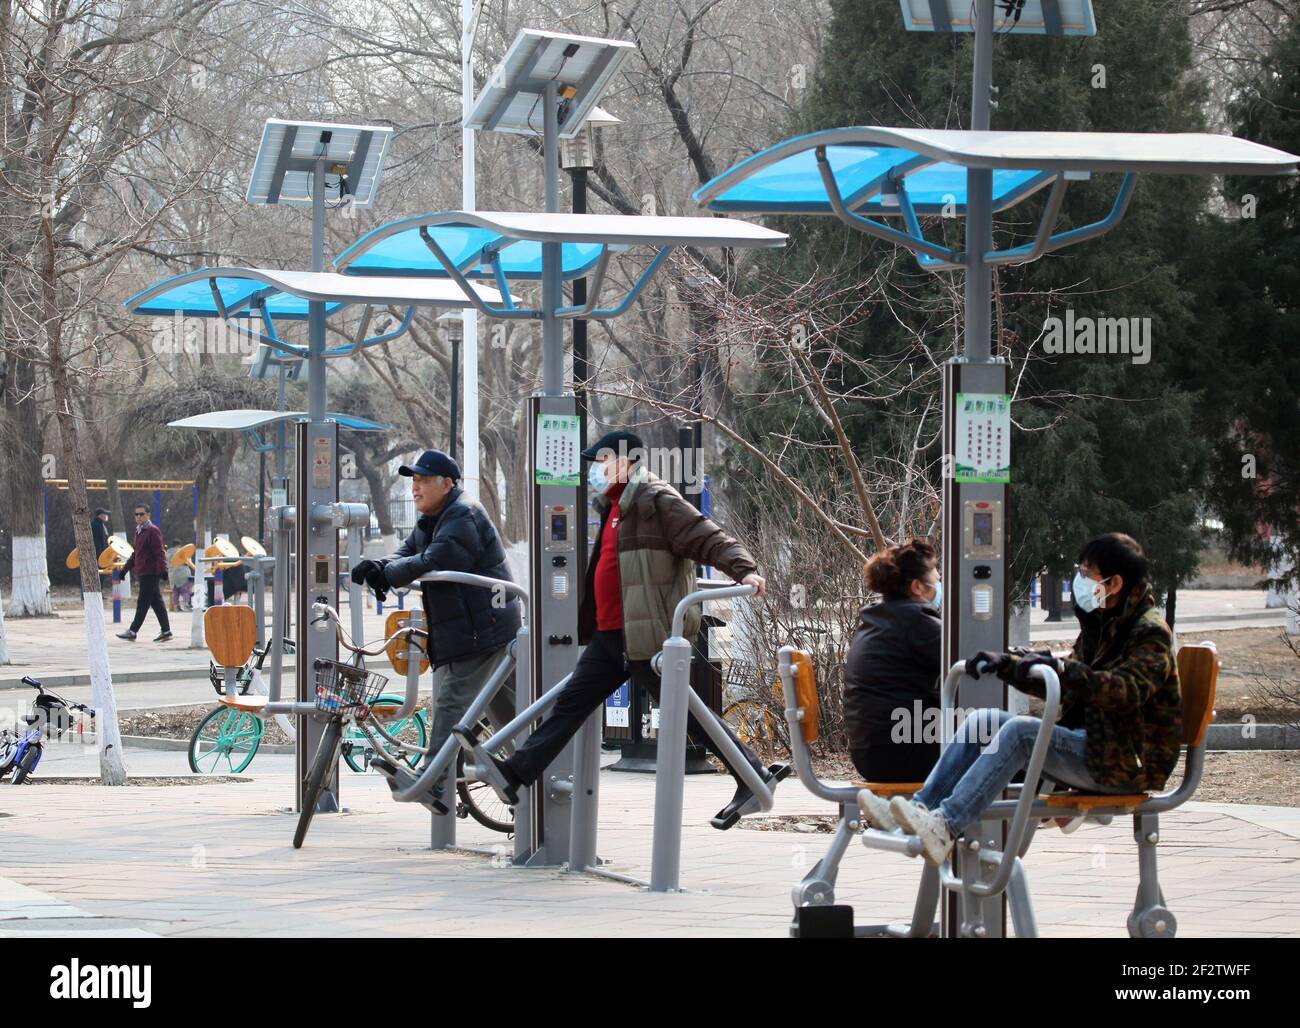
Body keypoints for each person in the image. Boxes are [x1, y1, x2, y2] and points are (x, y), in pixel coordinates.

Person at [464, 430, 790, 831]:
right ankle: (516, 774)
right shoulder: (614, 506)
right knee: (571, 705)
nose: (595, 471)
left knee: (688, 715)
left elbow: (708, 536)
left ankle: (752, 775)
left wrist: (746, 569)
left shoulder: (656, 500)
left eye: (600, 462)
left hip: (645, 635)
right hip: (610, 636)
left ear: (626, 461)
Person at [858, 532, 1182, 865]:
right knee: (983, 721)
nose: (1081, 581)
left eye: (1088, 574)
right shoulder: (1103, 625)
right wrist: (1009, 665)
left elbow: (1124, 692)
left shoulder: (1149, 631)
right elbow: (1068, 682)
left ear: (1115, 583)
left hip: (1125, 762)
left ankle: (946, 825)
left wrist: (1057, 667)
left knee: (1022, 733)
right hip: (1096, 745)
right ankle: (921, 809)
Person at [350, 449, 520, 810]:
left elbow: (439, 559)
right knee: (511, 715)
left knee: (451, 703)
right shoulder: (433, 518)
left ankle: (434, 783)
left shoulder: (463, 514)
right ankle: (532, 770)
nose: (416, 488)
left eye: (424, 480)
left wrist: (389, 574)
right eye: (413, 481)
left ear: (447, 483)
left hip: (482, 629)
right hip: (476, 627)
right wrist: (379, 567)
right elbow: (408, 552)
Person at [844, 538, 943, 782]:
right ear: (918, 586)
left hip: (873, 753)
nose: (940, 580)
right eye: (936, 575)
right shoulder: (916, 622)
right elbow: (971, 658)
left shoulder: (880, 618)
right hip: (903, 753)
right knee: (1007, 743)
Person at [117, 505, 173, 642]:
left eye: (141, 514)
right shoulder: (139, 532)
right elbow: (136, 554)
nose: (138, 517)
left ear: (148, 515)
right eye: (136, 514)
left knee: (143, 602)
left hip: (151, 572)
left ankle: (132, 631)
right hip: (144, 572)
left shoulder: (152, 531)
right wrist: (125, 570)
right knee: (156, 602)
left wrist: (163, 570)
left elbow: (159, 552)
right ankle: (166, 631)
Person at [167, 547, 193, 612]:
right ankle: (186, 606)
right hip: (183, 574)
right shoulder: (182, 552)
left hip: (172, 574)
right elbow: (188, 562)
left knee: (175, 591)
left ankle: (176, 607)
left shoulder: (167, 553)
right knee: (185, 591)